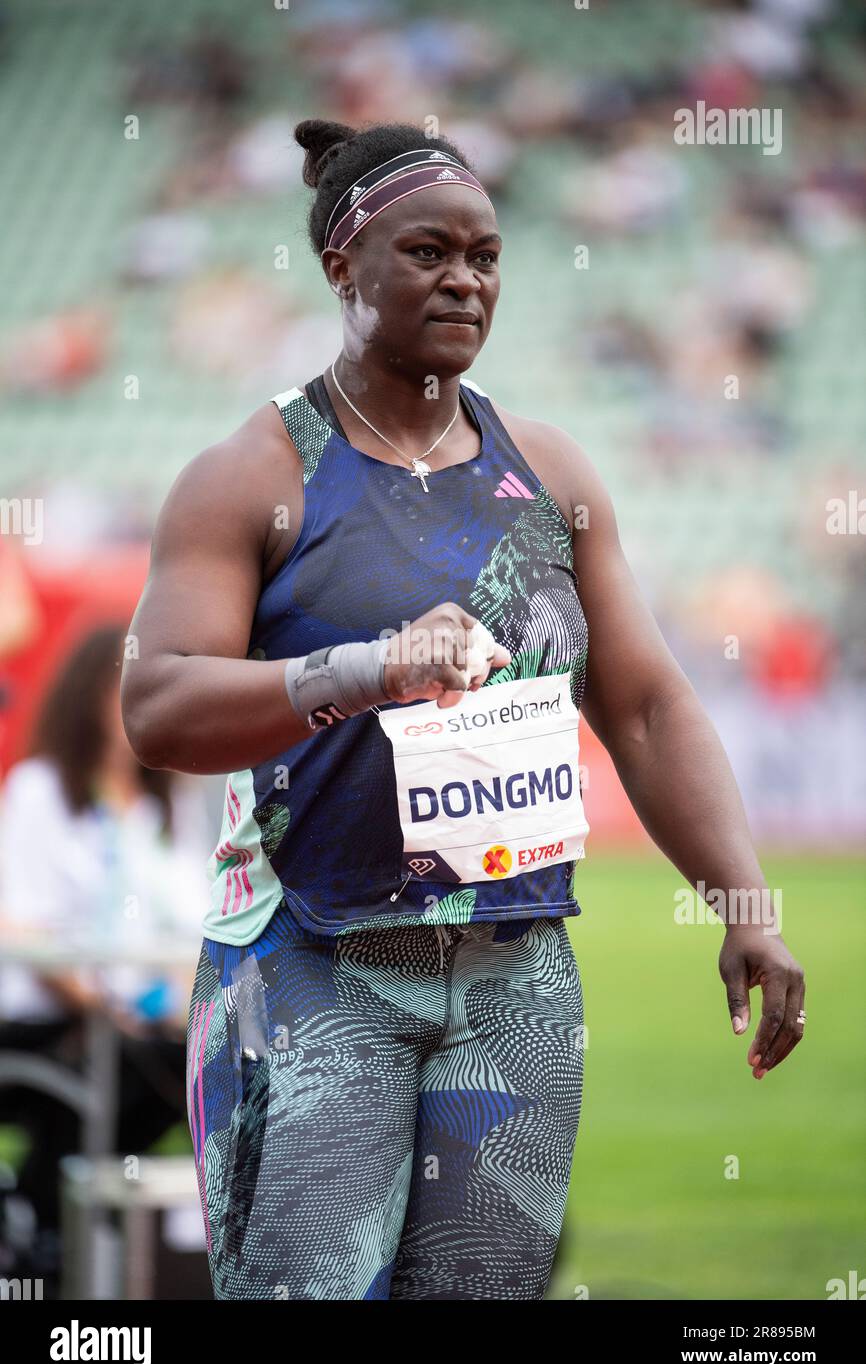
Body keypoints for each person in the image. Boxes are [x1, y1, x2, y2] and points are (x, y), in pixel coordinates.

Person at [121, 120, 806, 1302]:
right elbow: (158, 700)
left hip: (513, 973)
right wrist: (367, 669)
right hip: (312, 965)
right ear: (342, 266)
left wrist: (740, 899)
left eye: (484, 255)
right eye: (426, 251)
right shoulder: (257, 474)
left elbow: (642, 706)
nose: (463, 279)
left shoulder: (547, 475)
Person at [0, 623, 211, 1283]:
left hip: (143, 1020)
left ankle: (47, 1221)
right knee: (132, 1070)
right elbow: (23, 925)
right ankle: (42, 1223)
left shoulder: (166, 804)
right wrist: (107, 1003)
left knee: (204, 1068)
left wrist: (174, 1002)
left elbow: (195, 921)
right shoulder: (41, 791)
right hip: (55, 1019)